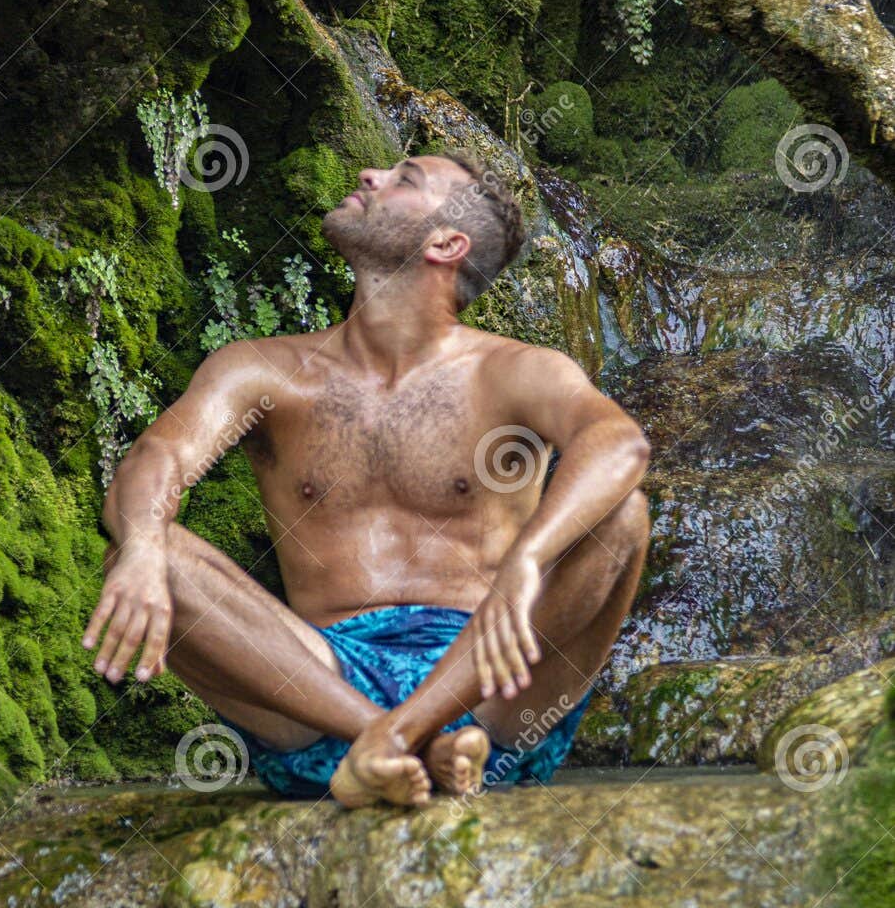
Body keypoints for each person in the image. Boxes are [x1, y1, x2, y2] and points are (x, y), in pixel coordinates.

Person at [83, 150, 650, 807]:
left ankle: (396, 741)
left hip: (494, 693)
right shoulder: (264, 371)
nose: (368, 177)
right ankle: (398, 741)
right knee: (147, 548)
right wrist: (145, 550)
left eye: (402, 179)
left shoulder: (515, 372)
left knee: (621, 517)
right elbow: (157, 459)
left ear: (446, 242)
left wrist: (527, 562)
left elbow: (617, 443)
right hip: (314, 694)